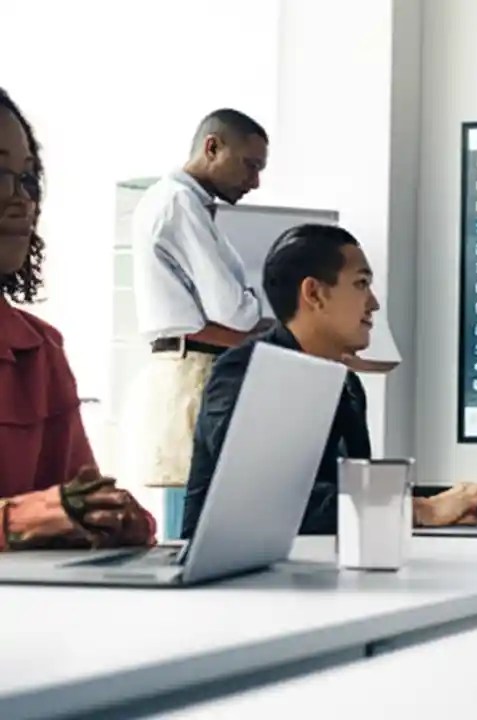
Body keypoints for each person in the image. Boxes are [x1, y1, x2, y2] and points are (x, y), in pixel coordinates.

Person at [181, 224, 477, 539]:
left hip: (310, 573)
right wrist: (421, 511)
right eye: (361, 284)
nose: (373, 303)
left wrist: (457, 501)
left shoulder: (344, 380)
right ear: (314, 294)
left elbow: (351, 490)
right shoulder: (243, 373)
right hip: (237, 589)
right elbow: (264, 497)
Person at [0, 87, 154, 550]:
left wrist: (113, 518)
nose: (21, 199)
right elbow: (38, 514)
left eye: (28, 179)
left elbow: (75, 494)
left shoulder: (38, 349)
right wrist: (20, 520)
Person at [121, 109, 274, 533]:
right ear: (212, 147)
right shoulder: (179, 203)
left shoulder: (177, 201)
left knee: (201, 514)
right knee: (200, 522)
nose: (255, 181)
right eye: (250, 165)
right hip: (195, 372)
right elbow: (234, 311)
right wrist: (255, 306)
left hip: (191, 367)